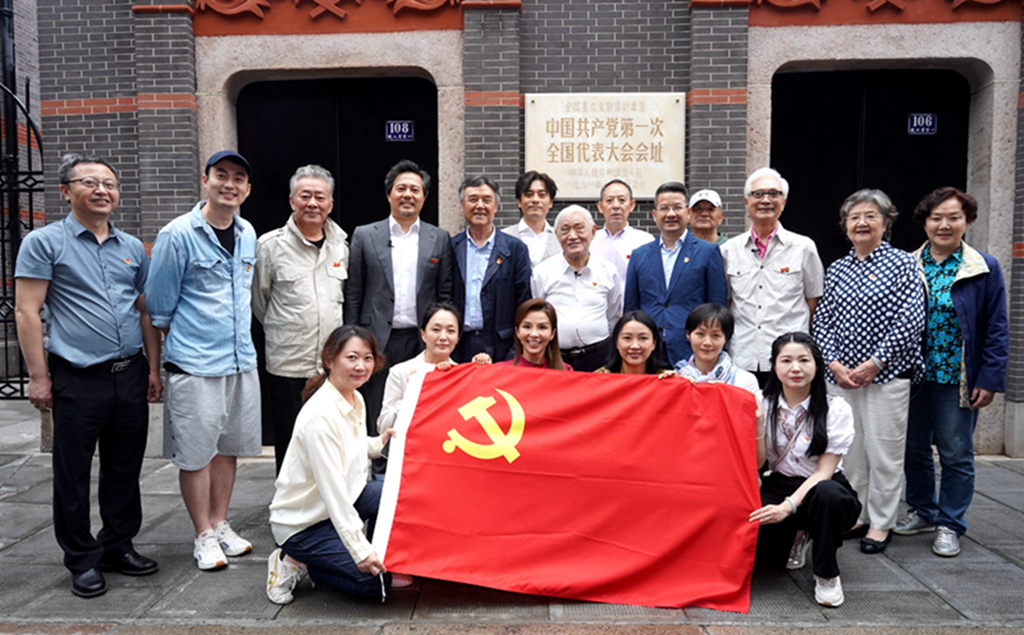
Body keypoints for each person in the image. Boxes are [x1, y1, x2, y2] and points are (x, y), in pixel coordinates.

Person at [14, 153, 162, 598]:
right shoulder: (44, 243)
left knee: (124, 467)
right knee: (73, 471)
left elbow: (143, 311)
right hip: (77, 376)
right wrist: (38, 377)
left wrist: (153, 368)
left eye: (110, 184)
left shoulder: (132, 248)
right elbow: (26, 310)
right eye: (90, 182)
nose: (102, 190)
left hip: (129, 373)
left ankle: (117, 545)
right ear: (65, 191)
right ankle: (81, 558)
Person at [146, 150, 262, 571]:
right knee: (195, 453)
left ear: (247, 189)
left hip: (239, 361)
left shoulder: (248, 232)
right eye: (221, 176)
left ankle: (220, 523)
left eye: (238, 178)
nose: (229, 184)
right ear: (206, 180)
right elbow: (158, 307)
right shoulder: (177, 234)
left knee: (227, 448)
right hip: (195, 364)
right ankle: (202, 534)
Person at [895, 187, 1009, 558]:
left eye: (953, 217)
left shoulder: (983, 267)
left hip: (957, 377)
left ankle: (950, 522)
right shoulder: (906, 264)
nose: (944, 225)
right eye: (936, 217)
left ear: (967, 221)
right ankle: (923, 511)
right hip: (912, 376)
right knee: (913, 449)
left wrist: (989, 378)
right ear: (924, 222)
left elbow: (996, 326)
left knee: (956, 452)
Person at [812, 189, 925, 555]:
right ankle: (856, 514)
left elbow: (911, 320)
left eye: (870, 216)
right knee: (850, 450)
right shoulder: (838, 267)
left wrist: (876, 362)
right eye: (854, 217)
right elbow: (823, 321)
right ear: (845, 226)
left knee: (884, 451)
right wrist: (831, 362)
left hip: (887, 376)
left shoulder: (904, 264)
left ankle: (881, 522)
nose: (861, 222)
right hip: (841, 377)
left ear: (885, 222)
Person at [266, 326, 413, 605]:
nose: (361, 366)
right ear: (330, 359)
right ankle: (294, 560)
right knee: (376, 583)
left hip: (347, 496)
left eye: (367, 358)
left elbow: (352, 448)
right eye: (352, 357)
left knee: (397, 495)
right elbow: (333, 495)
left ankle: (363, 552)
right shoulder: (320, 418)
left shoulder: (354, 396)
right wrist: (360, 552)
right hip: (305, 523)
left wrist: (378, 442)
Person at [344, 159, 453, 469]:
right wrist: (354, 341)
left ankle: (417, 468)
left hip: (422, 340)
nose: (408, 194)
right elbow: (354, 292)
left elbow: (445, 293)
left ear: (424, 196)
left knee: (424, 407)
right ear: (389, 194)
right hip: (377, 339)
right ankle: (377, 475)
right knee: (379, 408)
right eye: (401, 188)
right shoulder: (365, 235)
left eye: (415, 189)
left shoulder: (438, 238)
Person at [750, 333, 860, 608]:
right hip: (780, 482)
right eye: (786, 360)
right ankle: (798, 536)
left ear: (817, 365)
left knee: (827, 496)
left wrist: (787, 508)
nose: (795, 368)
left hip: (822, 487)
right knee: (762, 557)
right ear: (774, 365)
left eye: (803, 360)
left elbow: (823, 472)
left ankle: (826, 573)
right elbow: (759, 464)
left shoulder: (835, 408)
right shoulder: (763, 403)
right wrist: (757, 427)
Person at [253, 164, 349, 474]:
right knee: (291, 440)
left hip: (330, 366)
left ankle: (324, 506)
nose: (312, 203)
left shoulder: (341, 246)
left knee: (329, 440)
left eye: (320, 197)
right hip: (288, 363)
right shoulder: (270, 246)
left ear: (330, 204)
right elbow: (259, 301)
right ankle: (289, 513)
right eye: (304, 195)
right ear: (292, 200)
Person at [720, 167, 824, 386]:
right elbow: (728, 302)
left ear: (784, 202)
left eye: (773, 194)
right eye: (758, 194)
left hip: (790, 358)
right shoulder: (730, 249)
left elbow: (813, 301)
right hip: (744, 355)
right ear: (746, 202)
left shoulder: (804, 247)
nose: (765, 200)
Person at [624, 181, 727, 366]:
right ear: (655, 215)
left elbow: (716, 308)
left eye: (677, 207)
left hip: (691, 351)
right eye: (664, 208)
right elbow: (631, 308)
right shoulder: (639, 255)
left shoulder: (707, 252)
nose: (671, 214)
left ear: (688, 213)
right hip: (648, 351)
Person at [451, 175, 531, 363]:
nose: (480, 205)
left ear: (496, 206)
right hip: (459, 345)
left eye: (487, 200)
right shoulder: (451, 247)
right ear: (462, 206)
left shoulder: (515, 249)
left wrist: (515, 349)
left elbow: (524, 301)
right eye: (473, 200)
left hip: (502, 346)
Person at [531, 205, 622, 372]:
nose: (572, 236)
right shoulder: (542, 272)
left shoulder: (608, 271)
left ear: (593, 231)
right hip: (556, 357)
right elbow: (536, 314)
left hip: (599, 357)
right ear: (557, 235)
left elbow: (613, 316)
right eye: (565, 230)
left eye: (579, 228)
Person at [378, 302, 462, 435]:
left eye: (451, 331)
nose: (443, 337)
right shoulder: (399, 372)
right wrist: (412, 392)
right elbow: (383, 427)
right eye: (436, 330)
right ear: (423, 334)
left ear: (457, 337)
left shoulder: (462, 376)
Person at [674, 304, 762, 405]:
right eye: (700, 334)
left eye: (715, 335)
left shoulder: (744, 380)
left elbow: (753, 418)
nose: (707, 342)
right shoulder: (676, 378)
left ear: (726, 338)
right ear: (688, 335)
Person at [591, 178, 654, 307]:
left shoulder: (645, 241)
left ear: (631, 205)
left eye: (622, 200)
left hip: (632, 315)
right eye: (609, 200)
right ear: (600, 206)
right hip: (596, 314)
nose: (616, 206)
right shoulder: (589, 241)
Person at [474, 298, 570, 370]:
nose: (534, 334)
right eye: (527, 327)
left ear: (552, 334)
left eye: (542, 327)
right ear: (517, 332)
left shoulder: (567, 373)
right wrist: (480, 366)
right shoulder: (501, 370)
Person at [502, 170, 561, 266]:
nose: (535, 200)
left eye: (542, 195)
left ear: (551, 202)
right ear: (519, 202)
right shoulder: (503, 237)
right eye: (529, 195)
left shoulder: (561, 239)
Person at [594, 310, 670, 375]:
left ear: (654, 343)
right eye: (627, 338)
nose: (635, 346)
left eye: (643, 338)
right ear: (616, 342)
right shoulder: (599, 379)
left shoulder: (664, 379)